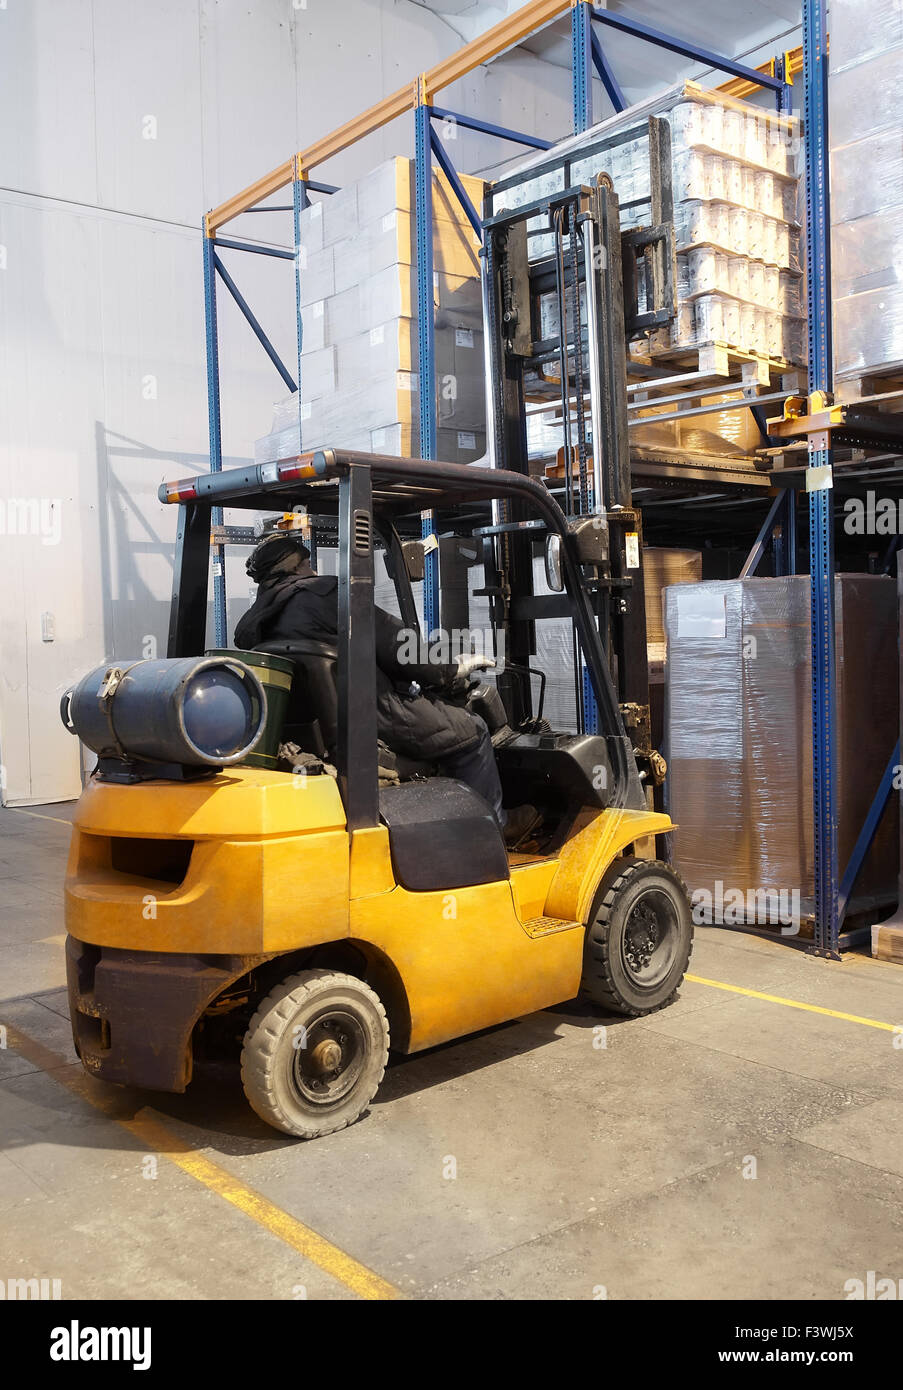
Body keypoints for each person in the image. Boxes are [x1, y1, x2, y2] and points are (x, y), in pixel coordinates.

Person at [234, 531, 539, 845]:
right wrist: (452, 668)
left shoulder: (252, 624)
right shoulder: (324, 595)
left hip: (318, 731)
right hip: (377, 714)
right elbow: (397, 645)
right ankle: (493, 829)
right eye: (308, 563)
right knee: (472, 731)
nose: (312, 570)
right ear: (296, 567)